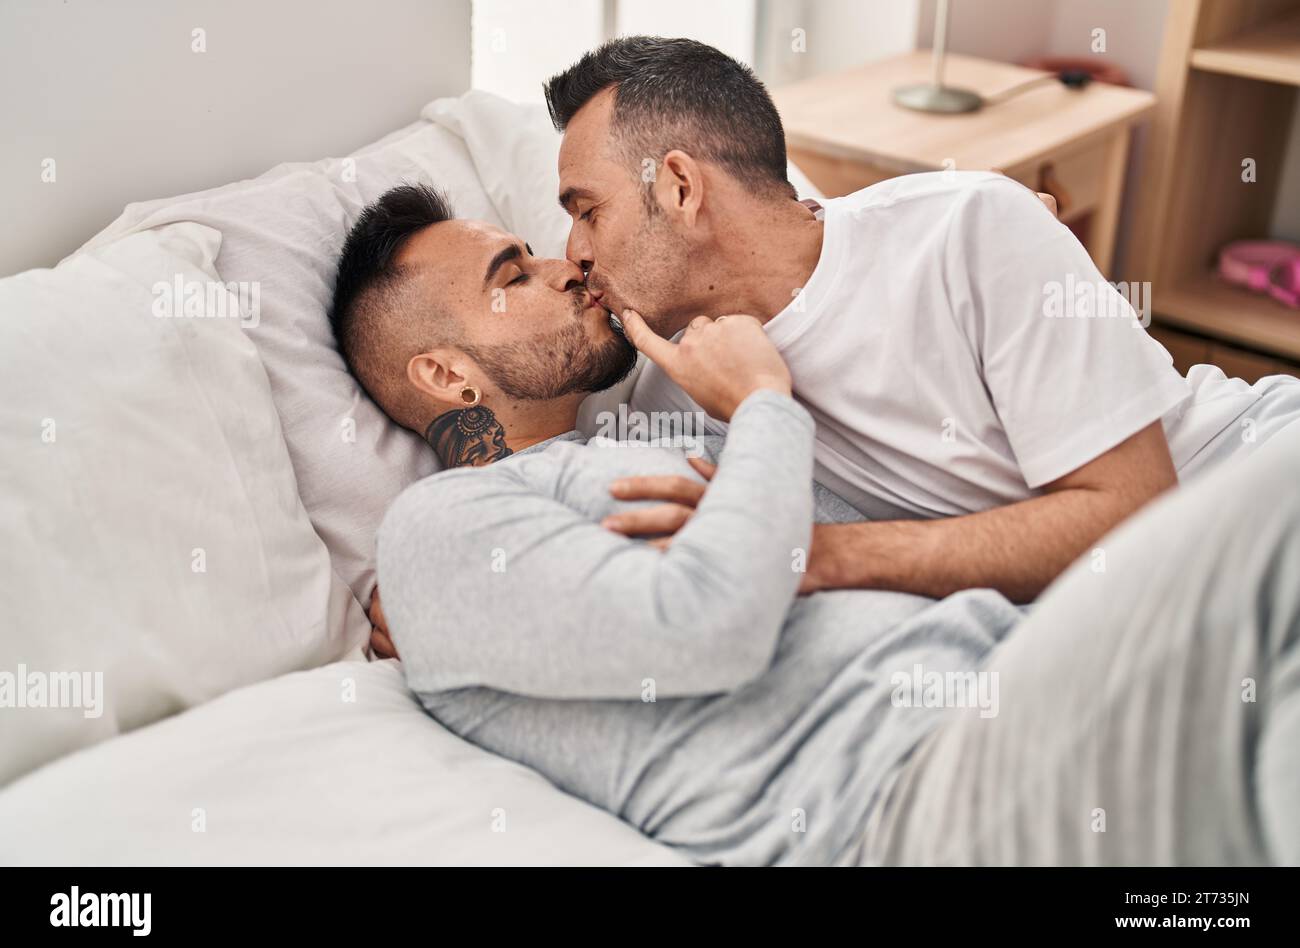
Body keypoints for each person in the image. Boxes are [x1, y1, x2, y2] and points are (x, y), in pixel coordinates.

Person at [333, 184, 1299, 866]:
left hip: (1037, 692)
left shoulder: (657, 425)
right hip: (906, 791)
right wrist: (762, 403)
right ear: (447, 377)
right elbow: (705, 619)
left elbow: (784, 262)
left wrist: (961, 250)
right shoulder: (441, 530)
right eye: (515, 271)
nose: (565, 261)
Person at [544, 36, 1300, 602]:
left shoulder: (969, 227)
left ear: (678, 187)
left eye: (588, 211)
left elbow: (1132, 517)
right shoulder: (679, 384)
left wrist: (825, 553)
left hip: (1253, 485)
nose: (573, 251)